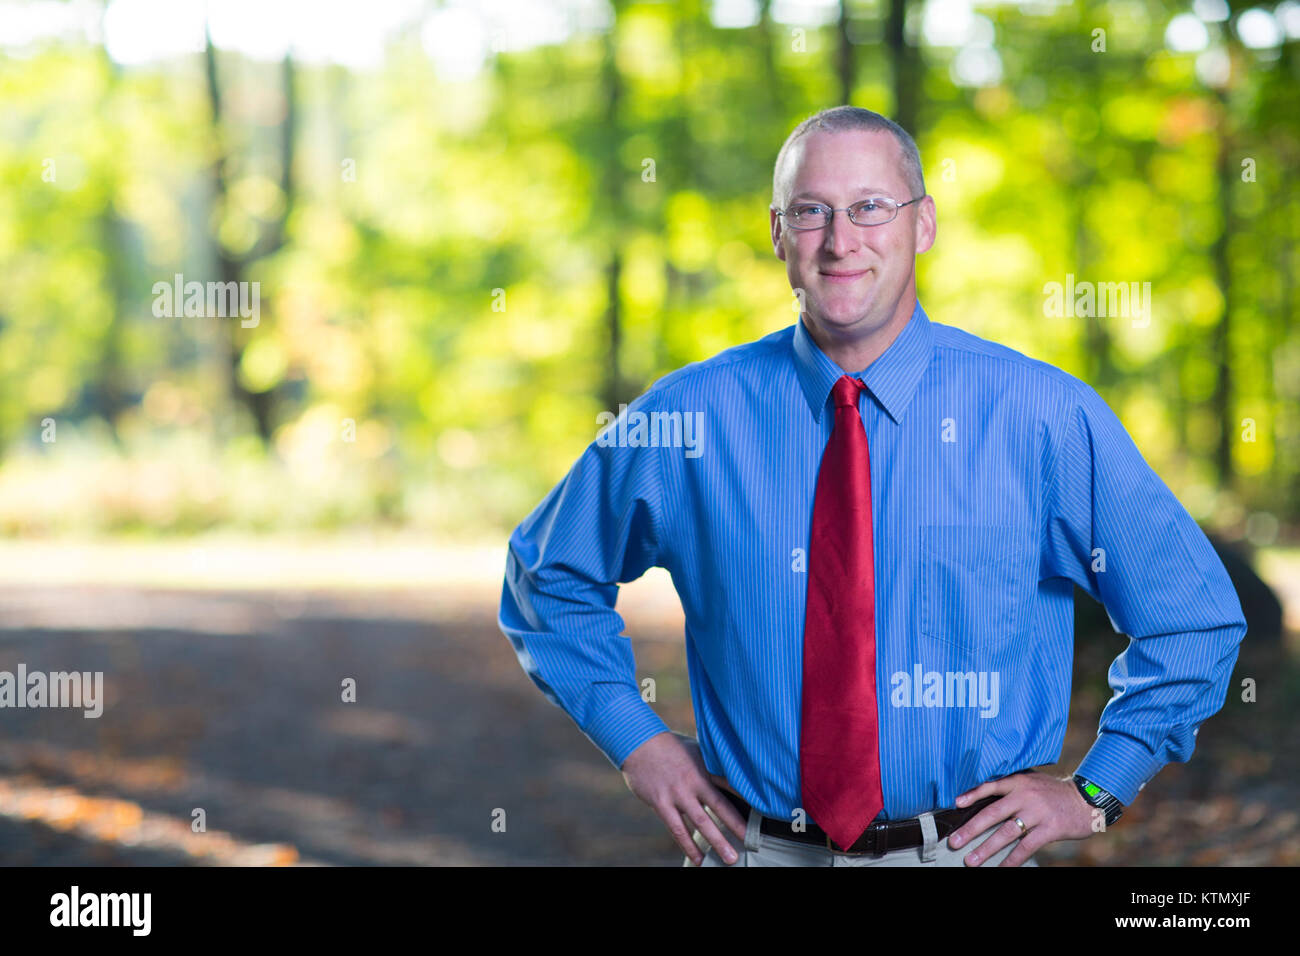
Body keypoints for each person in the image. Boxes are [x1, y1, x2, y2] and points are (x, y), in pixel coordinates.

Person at [497, 105, 1248, 867]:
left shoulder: (1040, 416)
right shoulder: (689, 417)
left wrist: (1097, 792)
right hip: (755, 853)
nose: (840, 238)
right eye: (811, 211)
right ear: (777, 233)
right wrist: (640, 742)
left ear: (922, 224)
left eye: (869, 208)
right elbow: (544, 576)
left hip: (969, 855)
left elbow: (1193, 617)